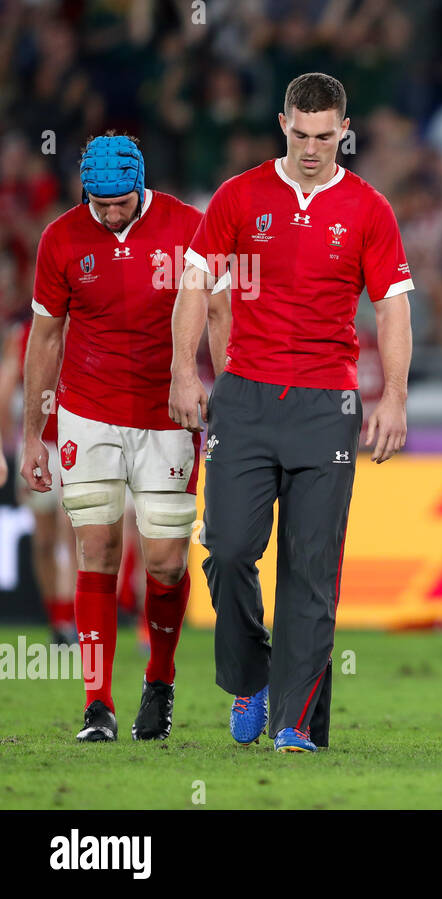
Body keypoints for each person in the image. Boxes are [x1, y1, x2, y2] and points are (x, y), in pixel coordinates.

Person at [170, 72, 413, 752]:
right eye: (301, 135)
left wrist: (393, 394)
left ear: (344, 129)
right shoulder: (239, 196)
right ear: (283, 123)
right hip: (244, 396)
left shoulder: (368, 208)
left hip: (326, 405)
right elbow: (194, 284)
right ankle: (252, 673)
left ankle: (294, 723)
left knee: (312, 567)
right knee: (226, 548)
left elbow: (393, 305)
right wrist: (183, 370)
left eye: (325, 136)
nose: (312, 148)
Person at [22, 133, 206, 743]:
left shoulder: (188, 226)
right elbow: (45, 339)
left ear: (141, 186)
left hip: (168, 415)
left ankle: (160, 681)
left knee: (166, 561)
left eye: (121, 202)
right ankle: (96, 705)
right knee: (95, 550)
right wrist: (32, 435)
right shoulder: (62, 237)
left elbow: (221, 313)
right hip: (87, 413)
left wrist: (222, 397)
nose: (109, 213)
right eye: (99, 203)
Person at [0, 320, 77, 645]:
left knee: (70, 536)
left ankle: (71, 623)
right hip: (39, 446)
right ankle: (59, 622)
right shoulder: (22, 336)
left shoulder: (85, 328)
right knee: (45, 539)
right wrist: (9, 447)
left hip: (78, 444)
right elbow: (4, 396)